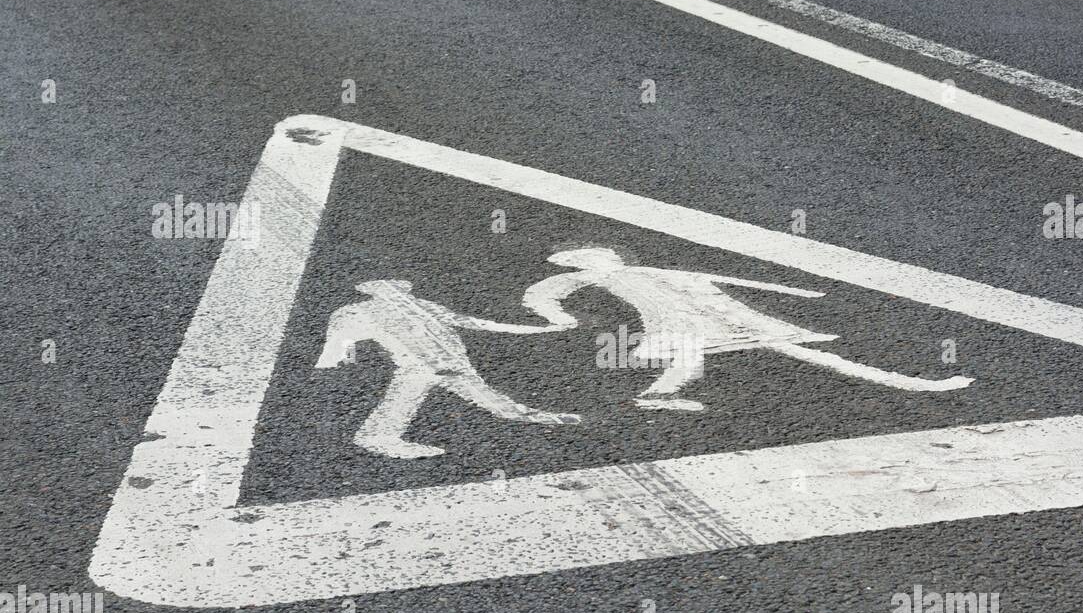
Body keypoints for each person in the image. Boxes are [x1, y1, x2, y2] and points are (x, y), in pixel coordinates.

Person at [522, 248, 972, 411]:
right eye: (592, 259)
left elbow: (736, 282)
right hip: (678, 322)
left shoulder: (656, 270)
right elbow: (549, 293)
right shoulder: (593, 280)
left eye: (605, 256)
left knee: (795, 349)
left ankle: (911, 383)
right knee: (690, 352)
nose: (606, 261)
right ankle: (659, 396)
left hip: (729, 316)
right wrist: (559, 318)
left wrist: (796, 293)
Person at [316, 280, 579, 459]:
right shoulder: (362, 311)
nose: (395, 291)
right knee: (402, 399)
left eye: (397, 288)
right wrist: (332, 359)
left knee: (485, 397)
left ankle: (524, 415)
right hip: (418, 364)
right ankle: (377, 436)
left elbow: (475, 323)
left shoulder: (427, 306)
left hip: (453, 363)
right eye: (387, 289)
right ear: (373, 293)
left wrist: (537, 329)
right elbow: (341, 336)